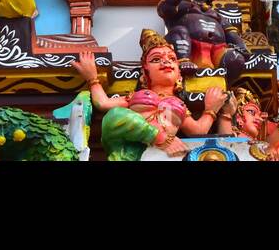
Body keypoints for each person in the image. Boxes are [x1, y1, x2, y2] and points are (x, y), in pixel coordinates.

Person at [71, 29, 228, 161]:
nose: (166, 62)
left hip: (165, 156)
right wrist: (92, 78)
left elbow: (197, 131)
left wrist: (211, 110)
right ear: (145, 72)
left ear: (179, 73)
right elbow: (103, 104)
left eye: (172, 59)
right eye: (156, 59)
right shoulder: (136, 96)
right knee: (115, 115)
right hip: (129, 152)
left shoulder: (178, 103)